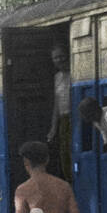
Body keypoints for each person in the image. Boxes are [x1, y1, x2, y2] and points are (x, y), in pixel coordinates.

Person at [45, 42, 73, 181]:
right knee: (64, 154)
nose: (59, 60)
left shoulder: (75, 73)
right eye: (55, 58)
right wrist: (53, 127)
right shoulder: (57, 77)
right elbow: (56, 104)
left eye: (61, 56)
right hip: (63, 119)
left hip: (75, 117)